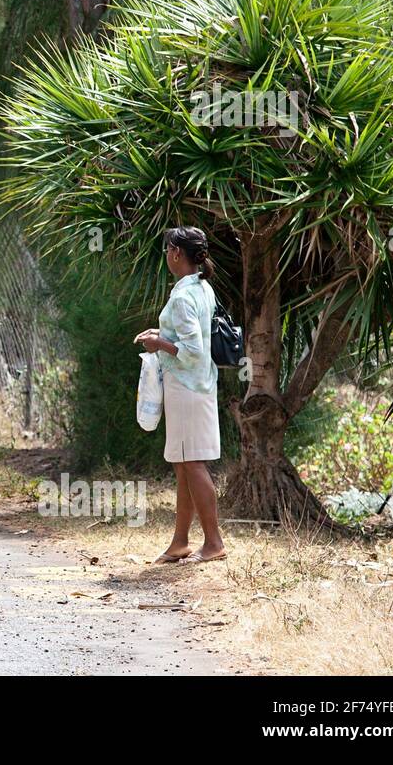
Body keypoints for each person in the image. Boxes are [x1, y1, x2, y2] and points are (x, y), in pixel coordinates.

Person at [134, 227, 226, 566]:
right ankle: (180, 542)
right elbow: (194, 335)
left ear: (176, 252)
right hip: (197, 385)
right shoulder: (202, 288)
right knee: (184, 466)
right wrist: (161, 334)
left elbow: (191, 350)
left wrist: (159, 344)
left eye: (167, 250)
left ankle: (214, 542)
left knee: (193, 464)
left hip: (187, 389)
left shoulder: (183, 296)